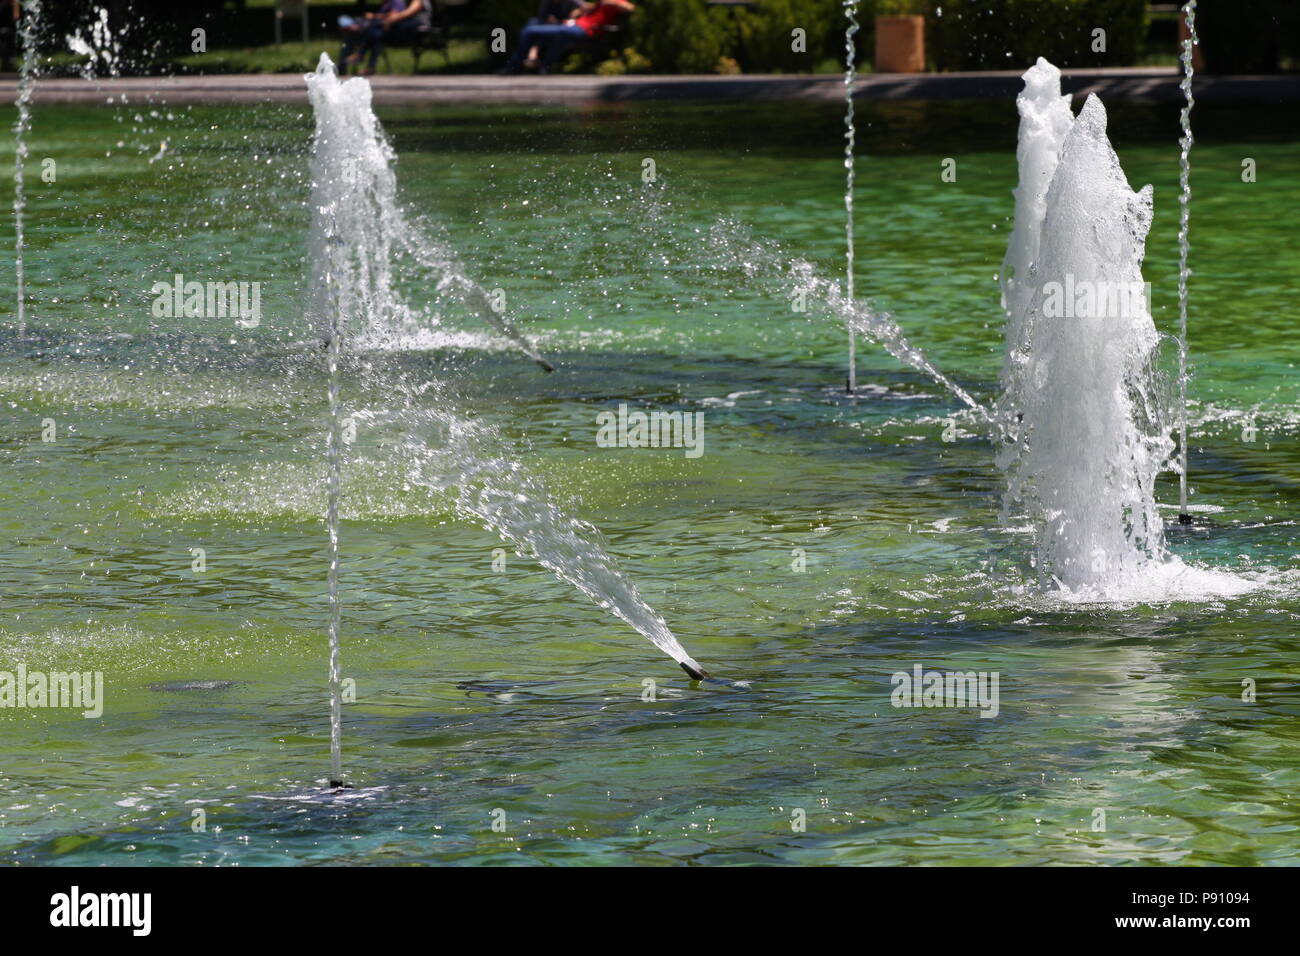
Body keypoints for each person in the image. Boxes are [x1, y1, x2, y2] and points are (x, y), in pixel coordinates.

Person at [497, 0, 633, 75]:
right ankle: (542, 67)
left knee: (530, 31)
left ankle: (513, 67)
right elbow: (584, 8)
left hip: (583, 31)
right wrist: (581, 11)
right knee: (537, 28)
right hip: (572, 26)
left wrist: (610, 2)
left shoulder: (614, 2)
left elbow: (630, 8)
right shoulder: (598, 5)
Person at [339, 0, 430, 76]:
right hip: (406, 28)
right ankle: (370, 66)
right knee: (376, 34)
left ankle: (360, 54)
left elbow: (407, 13)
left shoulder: (419, 1)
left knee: (376, 26)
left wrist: (389, 21)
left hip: (418, 29)